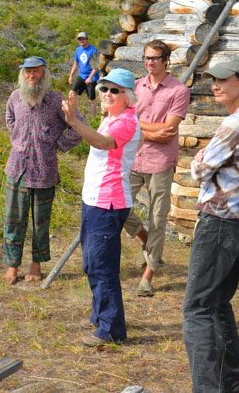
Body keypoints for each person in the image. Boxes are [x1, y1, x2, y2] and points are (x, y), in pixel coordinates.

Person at [182, 56, 239, 393]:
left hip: (220, 221)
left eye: (223, 79)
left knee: (197, 309)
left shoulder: (237, 124)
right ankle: (232, 384)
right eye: (212, 79)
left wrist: (199, 159)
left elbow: (199, 170)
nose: (215, 85)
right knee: (218, 304)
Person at [61, 67, 141, 347]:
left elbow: (102, 143)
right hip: (95, 200)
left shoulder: (126, 122)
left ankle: (111, 330)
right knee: (92, 263)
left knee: (103, 268)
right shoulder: (113, 117)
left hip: (108, 203)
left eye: (114, 90)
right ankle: (101, 316)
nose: (107, 93)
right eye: (104, 88)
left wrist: (73, 121)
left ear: (127, 97)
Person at [3, 56, 82, 285]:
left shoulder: (57, 101)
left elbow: (79, 127)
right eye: (27, 72)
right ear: (22, 74)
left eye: (36, 72)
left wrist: (56, 145)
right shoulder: (15, 98)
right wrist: (19, 140)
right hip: (16, 169)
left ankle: (36, 266)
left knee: (40, 223)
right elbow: (10, 120)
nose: (31, 76)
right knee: (13, 220)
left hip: (44, 172)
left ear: (44, 74)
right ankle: (12, 267)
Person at [122, 40, 190, 297]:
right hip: (134, 159)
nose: (149, 62)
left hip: (160, 163)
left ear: (166, 60)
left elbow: (169, 131)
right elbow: (126, 120)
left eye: (155, 58)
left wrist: (137, 127)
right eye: (146, 58)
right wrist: (149, 128)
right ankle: (145, 239)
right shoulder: (135, 86)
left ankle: (147, 277)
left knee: (158, 218)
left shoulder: (179, 90)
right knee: (119, 208)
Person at [68, 31, 100, 119]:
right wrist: (71, 76)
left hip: (92, 77)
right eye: (79, 39)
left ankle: (93, 119)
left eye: (83, 39)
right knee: (72, 93)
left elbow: (96, 65)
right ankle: (73, 115)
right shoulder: (78, 50)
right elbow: (75, 63)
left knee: (91, 100)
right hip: (81, 75)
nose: (81, 41)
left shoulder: (93, 50)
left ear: (87, 39)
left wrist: (90, 78)